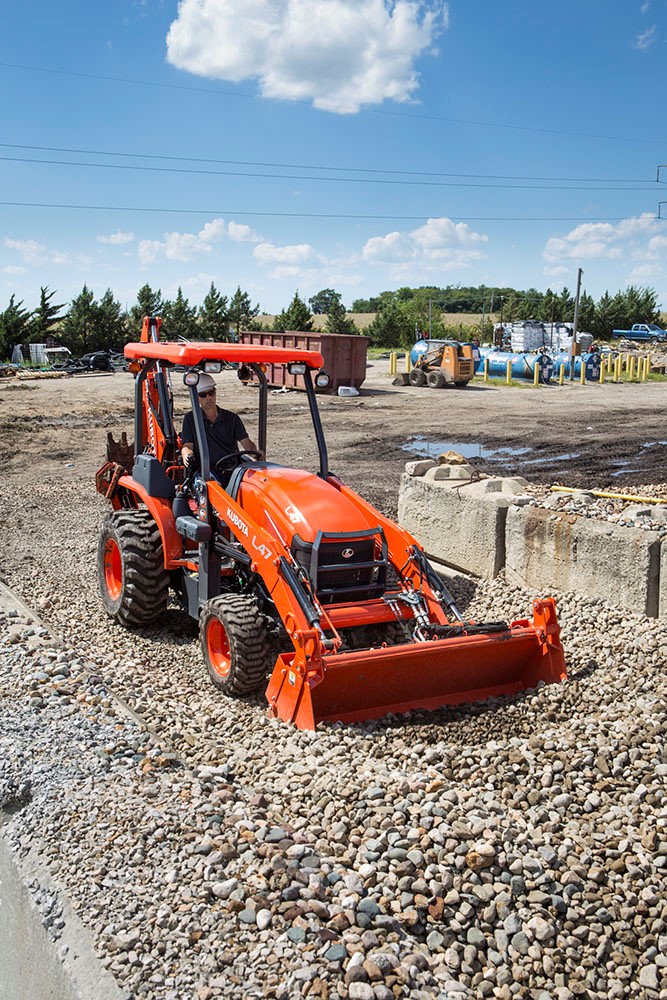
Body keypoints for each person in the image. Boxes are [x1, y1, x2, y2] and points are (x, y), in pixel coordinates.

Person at [180, 373, 262, 476]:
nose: (208, 398)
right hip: (205, 471)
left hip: (232, 468)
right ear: (196, 397)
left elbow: (246, 442)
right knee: (209, 484)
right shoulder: (191, 419)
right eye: (203, 395)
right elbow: (187, 446)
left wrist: (255, 453)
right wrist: (187, 454)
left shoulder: (232, 418)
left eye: (211, 393)